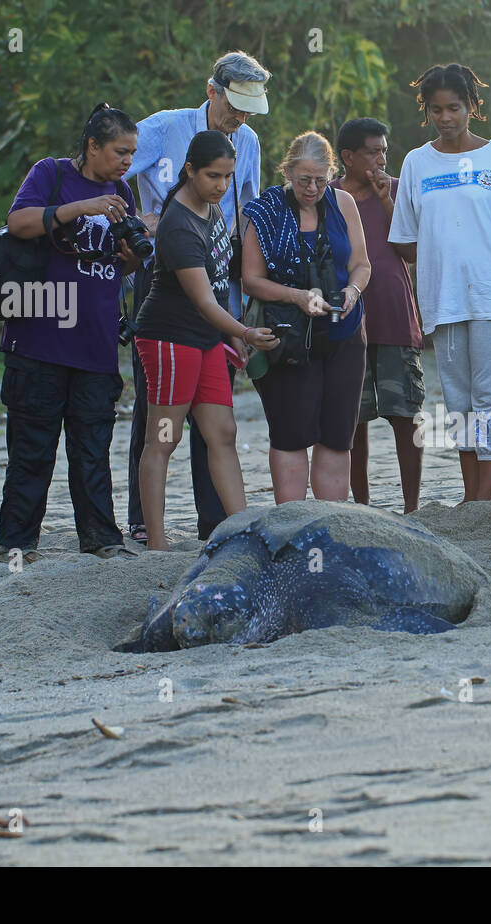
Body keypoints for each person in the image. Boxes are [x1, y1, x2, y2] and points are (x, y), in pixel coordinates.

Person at [125, 50, 271, 543]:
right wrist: (133, 222)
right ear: (213, 91)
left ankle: (221, 524)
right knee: (160, 418)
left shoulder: (246, 139)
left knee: (218, 422)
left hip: (220, 277)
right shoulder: (164, 129)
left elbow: (249, 208)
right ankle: (149, 528)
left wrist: (249, 287)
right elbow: (110, 166)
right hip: (167, 280)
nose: (241, 117)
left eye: (250, 109)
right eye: (235, 105)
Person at [388, 63, 491, 502]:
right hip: (443, 298)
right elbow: (406, 243)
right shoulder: (416, 163)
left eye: (454, 107)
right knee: (458, 401)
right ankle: (471, 494)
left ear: (471, 106)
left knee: (489, 394)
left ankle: (484, 499)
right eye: (436, 110)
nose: (445, 117)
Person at [0, 103, 142, 561]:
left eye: (132, 153)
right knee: (32, 450)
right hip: (39, 337)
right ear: (92, 146)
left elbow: (125, 265)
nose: (126, 162)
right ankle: (16, 544)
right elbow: (17, 222)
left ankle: (102, 539)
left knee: (93, 449)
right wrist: (82, 207)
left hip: (96, 343)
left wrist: (135, 254)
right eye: (120, 151)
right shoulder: (51, 173)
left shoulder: (122, 191)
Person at [134, 131, 255, 550]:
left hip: (206, 339)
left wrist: (230, 333)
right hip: (170, 341)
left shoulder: (212, 207)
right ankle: (157, 544)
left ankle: (242, 531)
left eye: (227, 176)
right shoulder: (178, 225)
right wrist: (242, 330)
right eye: (212, 176)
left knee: (222, 431)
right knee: (164, 438)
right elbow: (203, 300)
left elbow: (221, 285)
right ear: (189, 170)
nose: (221, 185)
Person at [242, 132, 372, 503]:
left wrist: (352, 292)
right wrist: (297, 297)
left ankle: (332, 522)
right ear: (287, 172)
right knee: (290, 432)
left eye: (320, 179)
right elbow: (251, 280)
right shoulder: (266, 210)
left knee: (336, 434)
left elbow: (361, 264)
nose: (313, 188)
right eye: (303, 180)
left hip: (342, 331)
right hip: (289, 333)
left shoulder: (343, 202)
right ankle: (293, 522)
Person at [333, 117, 424, 513]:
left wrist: (388, 200)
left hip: (395, 317)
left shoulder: (398, 192)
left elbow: (412, 253)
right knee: (353, 420)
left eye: (385, 150)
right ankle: (363, 505)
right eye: (373, 151)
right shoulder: (328, 196)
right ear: (348, 157)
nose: (382, 159)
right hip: (347, 320)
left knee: (406, 414)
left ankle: (411, 506)